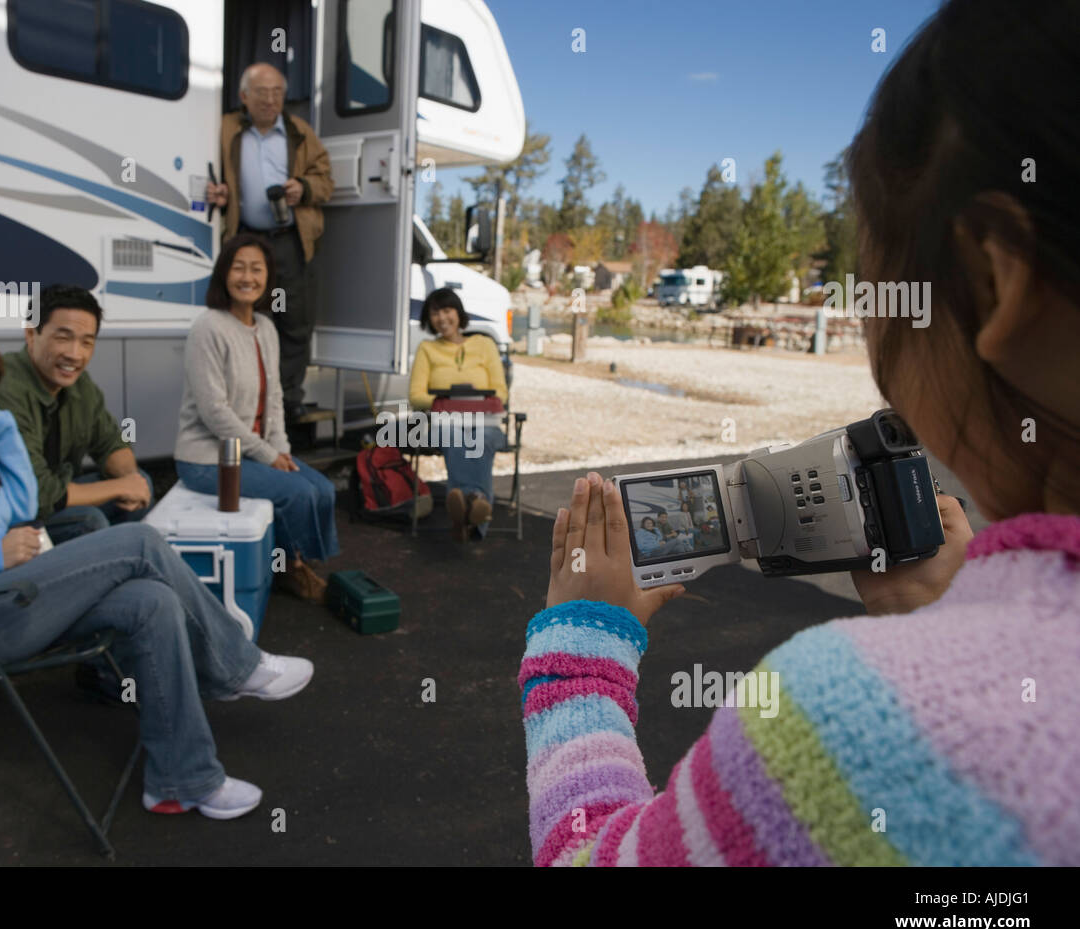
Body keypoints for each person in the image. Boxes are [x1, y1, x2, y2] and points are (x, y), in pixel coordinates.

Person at [521, 0, 1080, 866]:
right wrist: (951, 621)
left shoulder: (860, 721)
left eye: (877, 277)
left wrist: (583, 643)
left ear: (995, 278)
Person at [0, 314, 314, 821]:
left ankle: (181, 780)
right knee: (140, 541)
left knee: (151, 602)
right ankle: (237, 665)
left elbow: (22, 510)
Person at [175, 233, 339, 601]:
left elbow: (276, 396)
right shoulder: (208, 327)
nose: (247, 277)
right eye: (239, 268)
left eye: (257, 269)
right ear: (223, 275)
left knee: (324, 490)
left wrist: (280, 448)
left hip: (254, 450)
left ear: (268, 278)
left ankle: (288, 562)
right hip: (208, 458)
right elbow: (214, 411)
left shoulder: (266, 327)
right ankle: (292, 568)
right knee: (298, 494)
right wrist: (268, 456)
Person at [206, 63, 334, 424]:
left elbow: (326, 181)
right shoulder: (226, 128)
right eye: (261, 92)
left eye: (277, 92)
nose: (270, 100)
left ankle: (288, 399)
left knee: (294, 322)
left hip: (289, 242)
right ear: (244, 96)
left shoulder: (298, 132)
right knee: (247, 319)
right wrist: (217, 190)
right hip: (246, 238)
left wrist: (303, 189)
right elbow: (206, 168)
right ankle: (248, 399)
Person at [0, 285, 152, 544]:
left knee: (141, 483)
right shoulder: (6, 387)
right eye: (63, 338)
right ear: (31, 334)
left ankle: (111, 558)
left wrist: (128, 480)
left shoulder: (80, 385)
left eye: (86, 342)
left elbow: (111, 443)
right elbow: (37, 492)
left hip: (55, 498)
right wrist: (120, 487)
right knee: (88, 522)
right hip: (12, 513)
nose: (75, 354)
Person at [408, 288, 509, 542]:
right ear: (428, 319)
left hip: (485, 420)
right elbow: (415, 396)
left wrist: (475, 400)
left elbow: (501, 392)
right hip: (446, 420)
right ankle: (476, 502)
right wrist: (445, 401)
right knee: (452, 435)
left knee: (483, 437)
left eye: (446, 310)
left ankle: (463, 507)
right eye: (435, 313)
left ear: (458, 313)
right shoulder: (427, 349)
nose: (442, 318)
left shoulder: (485, 344)